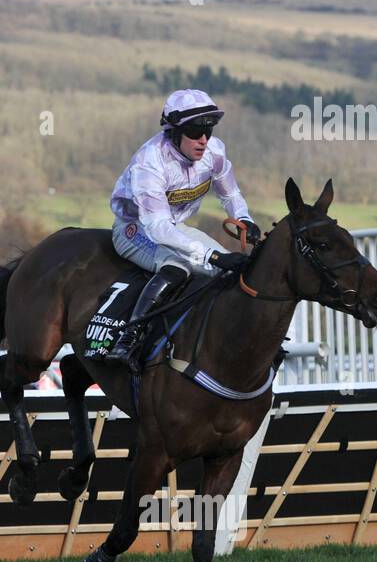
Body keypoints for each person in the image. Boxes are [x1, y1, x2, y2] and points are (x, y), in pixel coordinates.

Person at [97, 89, 261, 369]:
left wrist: (244, 219)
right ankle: (129, 337)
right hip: (136, 229)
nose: (204, 139)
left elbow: (230, 195)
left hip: (174, 226)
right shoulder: (150, 162)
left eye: (208, 130)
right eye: (196, 131)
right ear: (173, 131)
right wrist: (212, 255)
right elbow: (158, 229)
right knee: (178, 266)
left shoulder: (215, 152)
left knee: (231, 272)